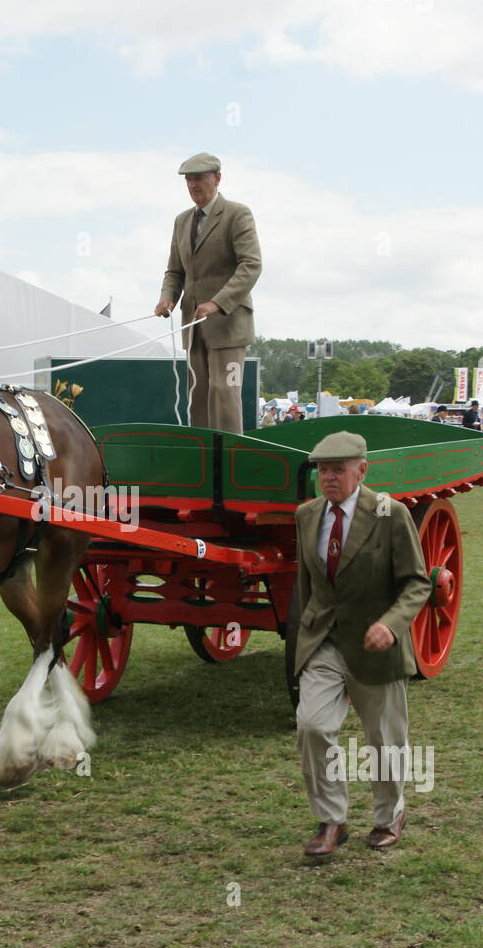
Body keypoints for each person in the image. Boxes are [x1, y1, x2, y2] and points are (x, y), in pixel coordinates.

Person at [293, 431, 432, 859]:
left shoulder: (392, 514)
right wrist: (304, 633)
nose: (329, 478)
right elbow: (308, 582)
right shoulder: (306, 515)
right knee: (312, 726)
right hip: (324, 641)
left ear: (362, 470)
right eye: (322, 470)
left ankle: (390, 816)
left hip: (376, 646)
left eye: (338, 470)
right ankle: (331, 820)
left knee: (385, 739)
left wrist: (391, 625)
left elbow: (416, 582)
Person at [155, 152, 261, 434]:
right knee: (198, 395)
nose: (193, 185)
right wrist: (167, 298)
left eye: (199, 178)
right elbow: (174, 271)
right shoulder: (181, 221)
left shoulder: (238, 214)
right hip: (193, 325)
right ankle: (201, 461)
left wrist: (217, 303)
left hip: (229, 325)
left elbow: (251, 265)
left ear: (217, 178)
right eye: (188, 180)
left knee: (224, 392)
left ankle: (230, 460)